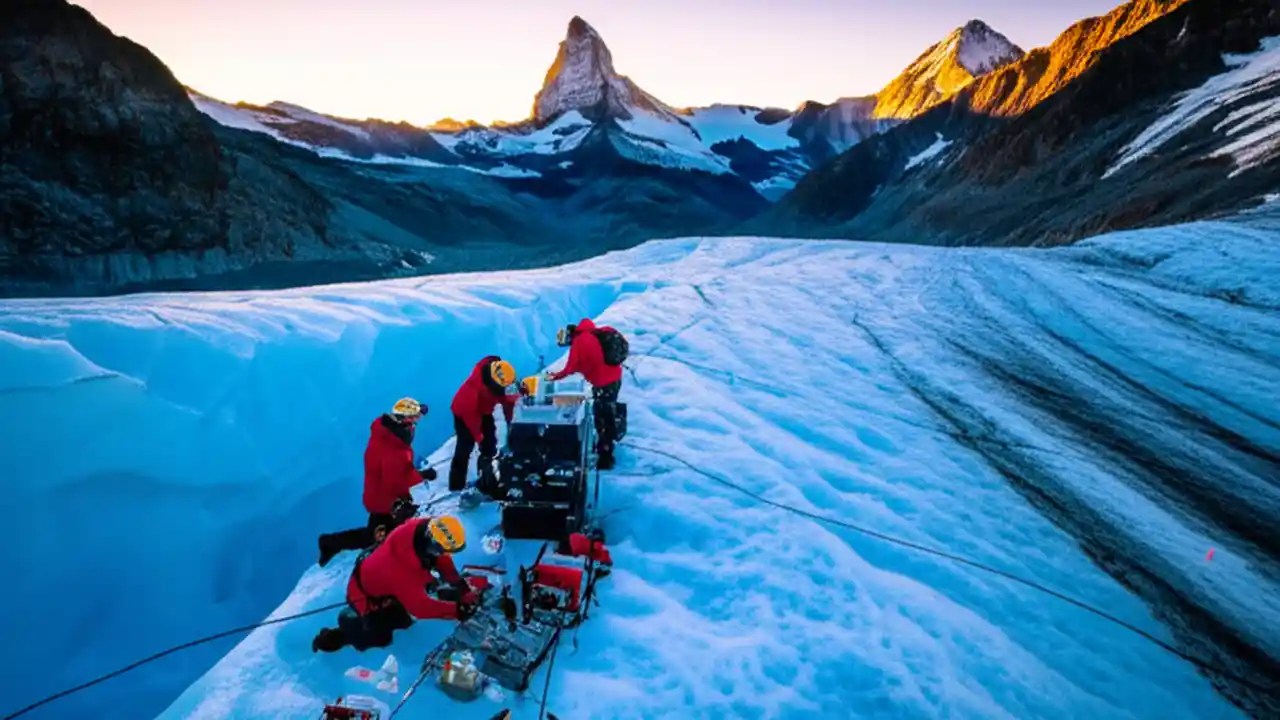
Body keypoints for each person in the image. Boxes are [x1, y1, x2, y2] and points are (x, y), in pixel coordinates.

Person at [312, 515, 477, 653]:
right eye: (443, 550)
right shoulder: (401, 571)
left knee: (430, 593)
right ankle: (336, 636)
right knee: (383, 636)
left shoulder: (423, 529)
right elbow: (420, 608)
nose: (445, 555)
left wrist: (460, 586)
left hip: (381, 571)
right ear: (433, 545)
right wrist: (456, 611)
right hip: (365, 594)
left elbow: (441, 559)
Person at [318, 398, 437, 567]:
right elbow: (396, 480)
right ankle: (329, 543)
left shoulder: (387, 433)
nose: (416, 422)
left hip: (381, 495)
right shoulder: (394, 450)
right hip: (384, 501)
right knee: (377, 536)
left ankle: (330, 542)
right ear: (403, 419)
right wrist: (422, 475)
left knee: (382, 532)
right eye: (414, 418)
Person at [547, 319, 625, 469]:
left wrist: (553, 377)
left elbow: (569, 368)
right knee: (608, 409)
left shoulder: (579, 342)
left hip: (603, 382)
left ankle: (606, 455)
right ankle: (611, 436)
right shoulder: (595, 333)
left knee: (601, 416)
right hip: (615, 378)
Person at [449, 356, 518, 492]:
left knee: (489, 445)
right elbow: (471, 418)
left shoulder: (497, 379)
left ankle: (487, 479)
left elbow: (506, 400)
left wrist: (511, 421)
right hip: (464, 414)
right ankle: (456, 486)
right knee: (464, 448)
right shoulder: (472, 391)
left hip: (484, 409)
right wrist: (478, 436)